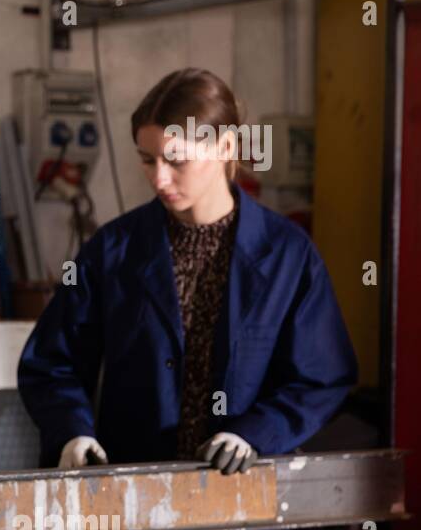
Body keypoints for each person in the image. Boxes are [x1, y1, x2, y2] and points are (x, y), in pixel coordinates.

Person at [18, 68, 356, 496]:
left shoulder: (288, 254)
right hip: (136, 501)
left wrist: (255, 433)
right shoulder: (113, 249)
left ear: (226, 146)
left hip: (247, 501)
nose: (159, 178)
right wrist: (72, 431)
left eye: (176, 160)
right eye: (147, 159)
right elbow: (52, 362)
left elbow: (323, 376)